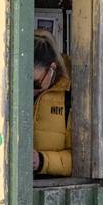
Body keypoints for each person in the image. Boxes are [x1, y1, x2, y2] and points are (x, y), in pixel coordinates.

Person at [32, 28, 72, 177]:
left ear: (52, 69)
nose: (30, 91)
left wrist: (42, 161)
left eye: (36, 83)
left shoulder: (73, 96)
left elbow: (84, 160)